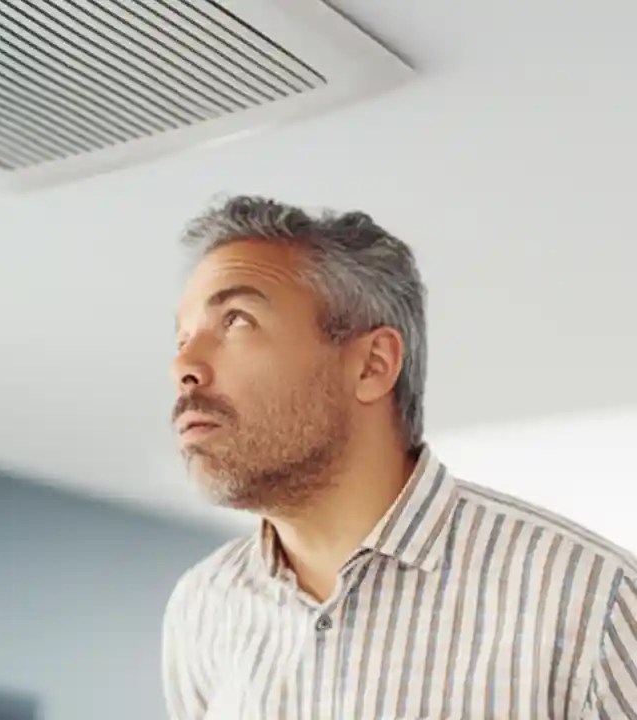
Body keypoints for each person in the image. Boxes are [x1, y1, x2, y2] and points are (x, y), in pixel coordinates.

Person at [162, 196, 637, 719]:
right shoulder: (201, 608)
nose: (183, 364)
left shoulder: (590, 600)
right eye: (182, 337)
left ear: (372, 365)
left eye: (235, 321)